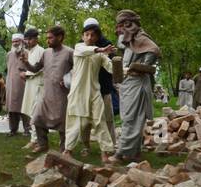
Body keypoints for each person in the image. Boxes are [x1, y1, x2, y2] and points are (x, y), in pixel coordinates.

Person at [64, 22, 116, 162]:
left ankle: (105, 153)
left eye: (93, 35)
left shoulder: (100, 55)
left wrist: (124, 69)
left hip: (94, 92)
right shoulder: (78, 48)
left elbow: (111, 68)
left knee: (100, 121)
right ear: (82, 36)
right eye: (87, 34)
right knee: (75, 123)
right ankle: (67, 150)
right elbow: (87, 51)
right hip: (78, 93)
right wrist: (101, 50)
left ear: (97, 37)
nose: (89, 37)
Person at [113, 9, 160, 163]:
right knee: (129, 118)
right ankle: (135, 152)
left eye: (120, 26)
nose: (118, 29)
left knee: (132, 119)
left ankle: (121, 153)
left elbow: (153, 51)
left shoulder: (142, 38)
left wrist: (141, 66)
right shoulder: (128, 40)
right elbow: (122, 47)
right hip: (127, 84)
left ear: (128, 24)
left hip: (137, 83)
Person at [24, 26, 74, 152]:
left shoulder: (69, 52)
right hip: (46, 94)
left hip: (63, 95)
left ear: (60, 37)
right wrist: (25, 62)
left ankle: (65, 149)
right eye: (47, 38)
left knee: (63, 124)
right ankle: (42, 145)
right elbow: (35, 68)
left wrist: (69, 78)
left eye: (50, 38)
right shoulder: (45, 53)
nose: (47, 41)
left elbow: (78, 70)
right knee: (37, 118)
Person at [18, 28, 46, 151]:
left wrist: (27, 74)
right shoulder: (29, 52)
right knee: (30, 112)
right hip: (30, 85)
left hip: (38, 85)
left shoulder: (41, 51)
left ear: (35, 39)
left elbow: (40, 68)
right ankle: (34, 139)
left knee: (35, 113)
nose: (28, 42)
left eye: (30, 39)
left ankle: (35, 141)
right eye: (26, 39)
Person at [4, 32, 29, 136]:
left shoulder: (27, 53)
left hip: (23, 85)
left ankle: (27, 130)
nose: (15, 43)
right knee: (12, 109)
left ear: (22, 42)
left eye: (17, 41)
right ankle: (13, 130)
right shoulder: (9, 55)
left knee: (24, 108)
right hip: (10, 85)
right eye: (13, 41)